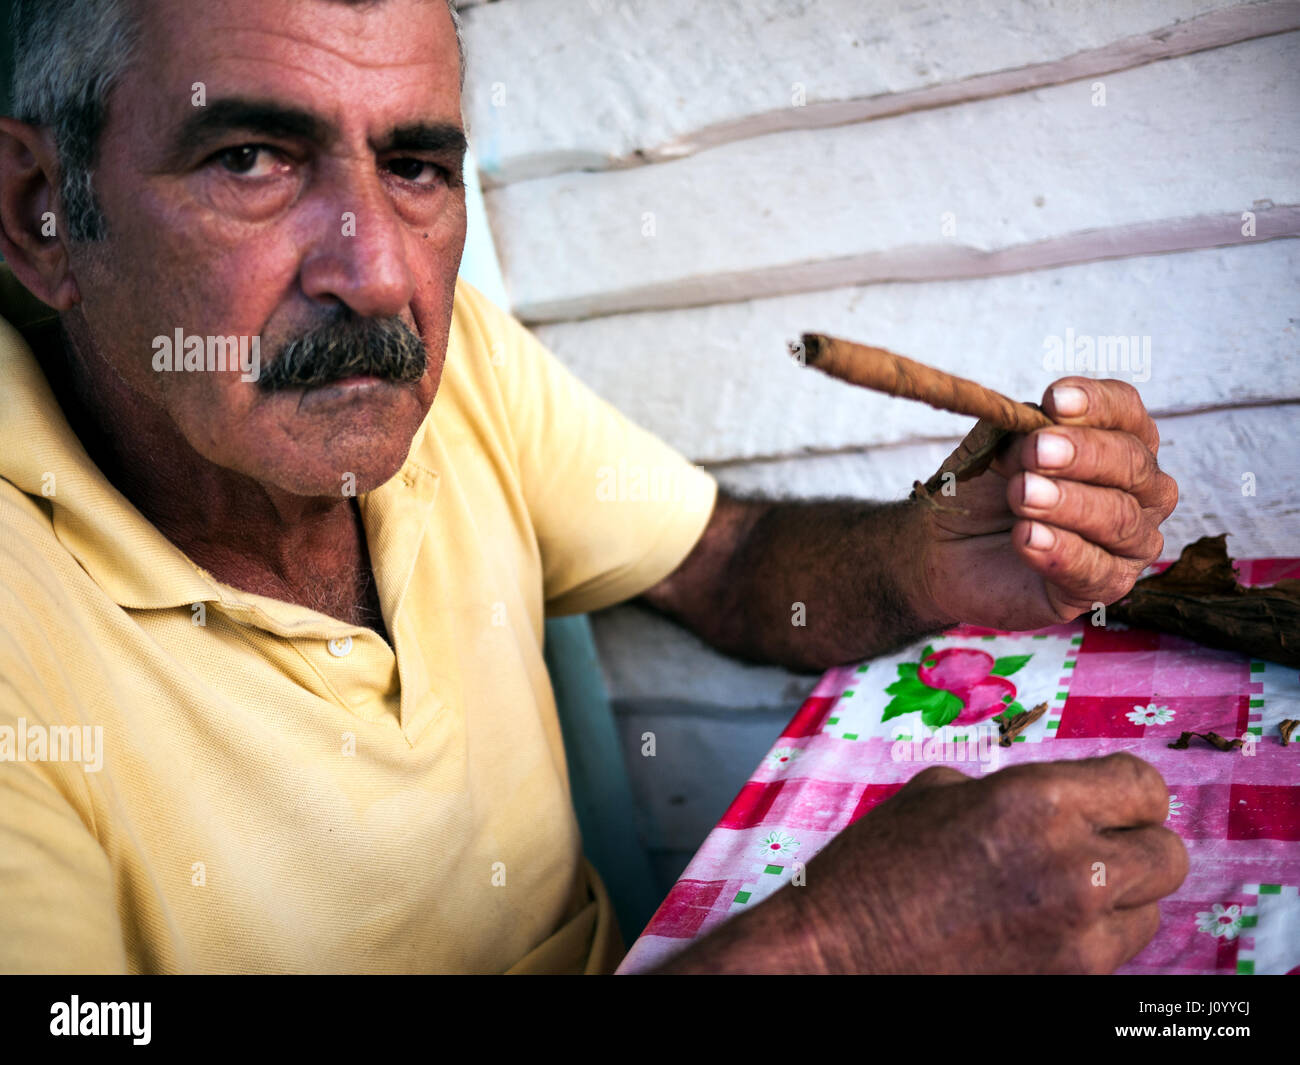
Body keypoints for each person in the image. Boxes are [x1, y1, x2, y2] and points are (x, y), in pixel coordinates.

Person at [0, 0, 1184, 974]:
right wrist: (834, 951)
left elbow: (724, 562)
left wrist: (932, 556)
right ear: (40, 214)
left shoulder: (456, 367)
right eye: (251, 160)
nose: (377, 272)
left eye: (414, 167)